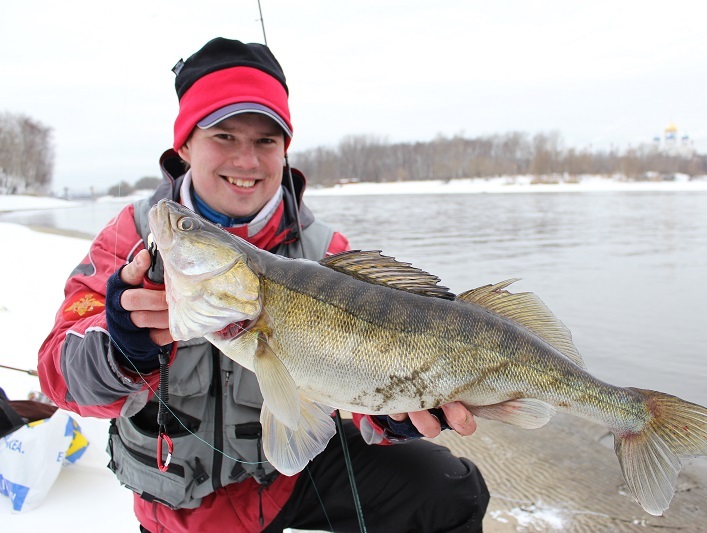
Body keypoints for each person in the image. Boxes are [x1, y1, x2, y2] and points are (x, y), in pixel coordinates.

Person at [37, 37, 489, 532]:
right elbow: (58, 378)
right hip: (176, 504)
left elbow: (358, 403)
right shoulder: (133, 238)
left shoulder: (326, 253)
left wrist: (391, 415)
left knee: (447, 487)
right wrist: (122, 350)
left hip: (285, 478)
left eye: (265, 141)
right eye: (224, 136)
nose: (247, 161)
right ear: (185, 144)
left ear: (284, 150)